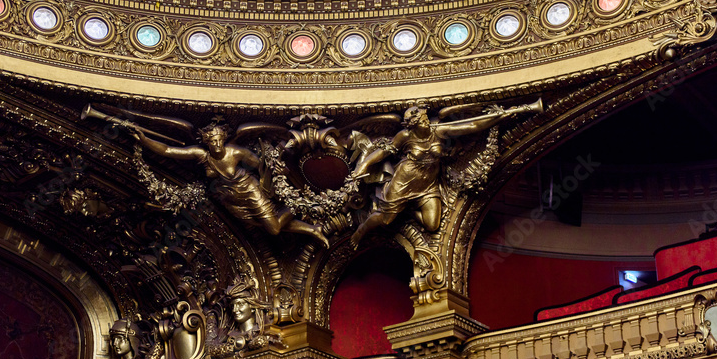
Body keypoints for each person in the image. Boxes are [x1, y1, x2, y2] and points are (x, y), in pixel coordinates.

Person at [350, 100, 541, 246]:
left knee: (432, 224)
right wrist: (364, 165)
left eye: (426, 119)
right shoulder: (405, 136)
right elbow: (382, 152)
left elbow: (472, 126)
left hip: (428, 183)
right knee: (385, 219)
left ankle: (406, 209)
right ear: (413, 124)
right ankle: (361, 230)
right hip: (405, 179)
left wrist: (499, 117)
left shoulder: (439, 131)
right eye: (422, 121)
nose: (426, 123)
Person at [132, 121, 330, 247]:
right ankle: (313, 229)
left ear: (224, 139)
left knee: (274, 228)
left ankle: (295, 205)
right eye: (213, 142)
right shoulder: (202, 155)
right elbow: (168, 150)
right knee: (261, 225)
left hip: (250, 191)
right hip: (230, 200)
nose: (217, 145)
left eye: (219, 140)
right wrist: (145, 140)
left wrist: (279, 170)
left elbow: (262, 166)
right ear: (207, 142)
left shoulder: (236, 152)